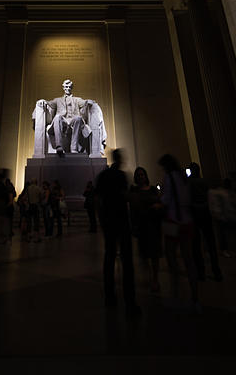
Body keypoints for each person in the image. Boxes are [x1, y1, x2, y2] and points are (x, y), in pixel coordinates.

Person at [95, 149, 140, 317]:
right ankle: (130, 300)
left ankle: (109, 296)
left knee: (109, 258)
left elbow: (98, 200)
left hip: (109, 222)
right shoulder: (120, 176)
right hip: (121, 222)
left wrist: (101, 221)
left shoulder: (103, 176)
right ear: (120, 159)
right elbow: (123, 196)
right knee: (127, 262)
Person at [159, 153, 200, 311]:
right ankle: (195, 298)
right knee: (189, 260)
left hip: (173, 222)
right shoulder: (184, 177)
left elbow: (166, 199)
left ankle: (176, 295)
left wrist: (156, 202)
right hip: (187, 221)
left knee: (172, 260)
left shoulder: (170, 178)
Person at [34, 78, 106, 156]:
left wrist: (88, 101)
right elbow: (49, 103)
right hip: (62, 121)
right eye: (66, 87)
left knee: (78, 118)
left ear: (71, 88)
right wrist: (43, 101)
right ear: (63, 88)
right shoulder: (57, 100)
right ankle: (59, 146)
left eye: (69, 87)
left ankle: (74, 148)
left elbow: (84, 102)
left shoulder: (77, 99)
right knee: (57, 117)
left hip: (74, 121)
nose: (68, 89)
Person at [187, 162, 222, 281]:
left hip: (195, 215)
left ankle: (201, 272)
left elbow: (188, 199)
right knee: (211, 244)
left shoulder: (189, 183)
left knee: (196, 246)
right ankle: (216, 271)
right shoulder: (204, 182)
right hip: (205, 214)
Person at [129, 166, 162, 292]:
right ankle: (150, 276)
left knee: (154, 254)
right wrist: (133, 226)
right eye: (138, 175)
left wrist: (158, 207)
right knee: (144, 254)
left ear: (146, 176)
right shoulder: (134, 191)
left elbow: (161, 202)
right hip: (142, 225)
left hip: (153, 225)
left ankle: (155, 278)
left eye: (142, 174)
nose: (140, 177)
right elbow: (132, 210)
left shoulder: (153, 190)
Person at [208, 178, 236, 257]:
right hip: (222, 215)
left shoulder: (214, 192)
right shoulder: (220, 192)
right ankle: (225, 249)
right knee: (223, 233)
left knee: (223, 233)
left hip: (222, 215)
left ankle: (226, 248)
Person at [26, 177, 42, 241]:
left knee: (29, 221)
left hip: (30, 205)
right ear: (36, 182)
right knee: (36, 221)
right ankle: (36, 237)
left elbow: (26, 197)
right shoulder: (38, 188)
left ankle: (28, 236)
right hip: (36, 205)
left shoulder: (28, 188)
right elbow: (41, 197)